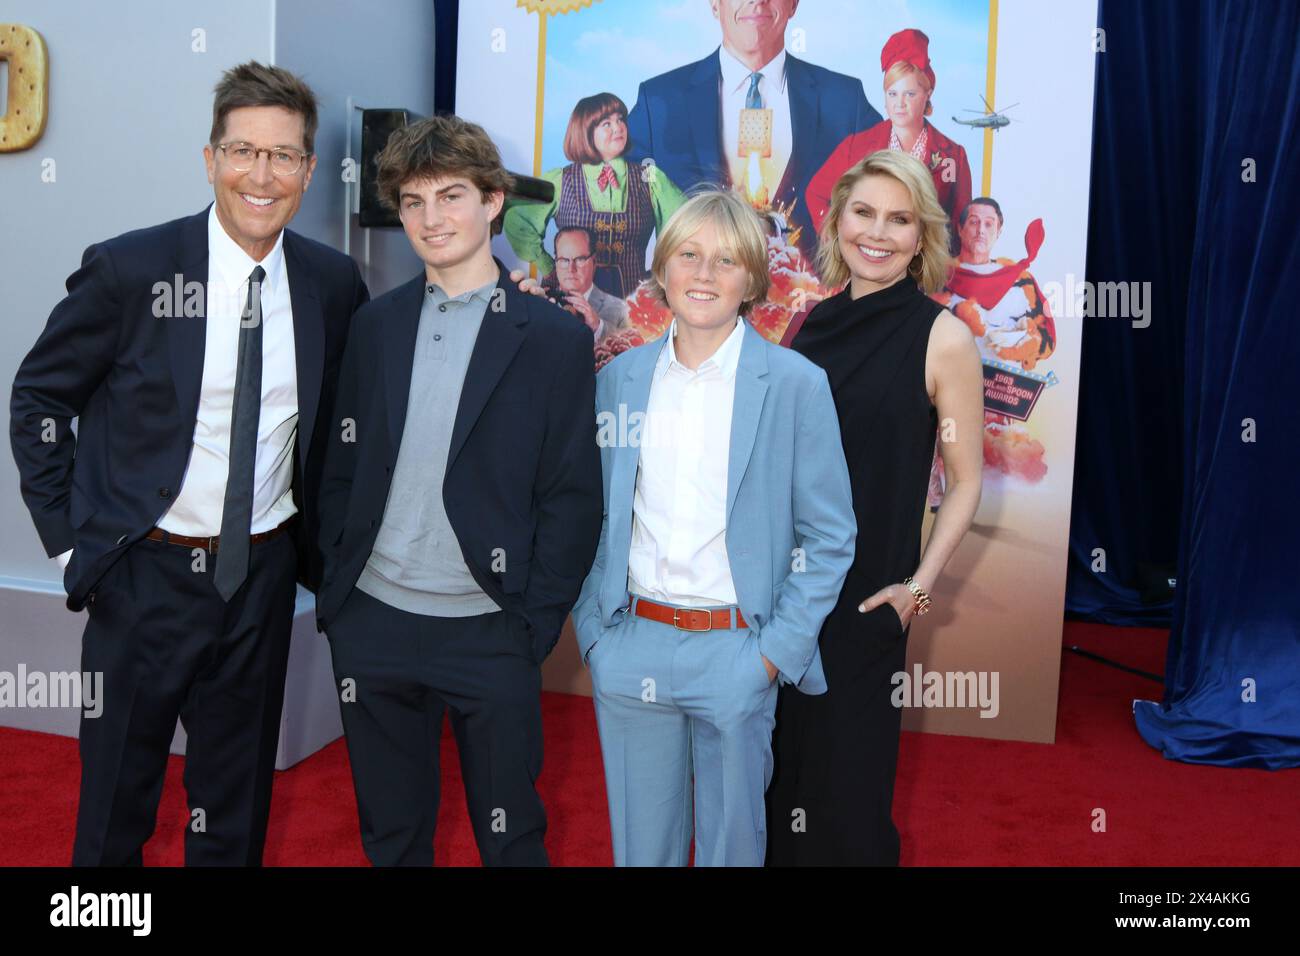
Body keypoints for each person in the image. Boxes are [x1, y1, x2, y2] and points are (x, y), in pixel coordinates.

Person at [8, 62, 369, 865]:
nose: (261, 175)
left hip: (263, 582)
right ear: (210, 160)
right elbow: (38, 401)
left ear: (309, 171)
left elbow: (342, 426)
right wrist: (73, 545)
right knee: (113, 810)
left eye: (283, 156)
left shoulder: (332, 284)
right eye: (243, 151)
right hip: (143, 578)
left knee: (235, 809)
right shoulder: (131, 271)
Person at [314, 114, 602, 867]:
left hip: (489, 628)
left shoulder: (553, 337)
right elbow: (340, 467)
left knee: (511, 840)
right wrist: (339, 597)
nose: (432, 218)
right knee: (393, 837)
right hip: (374, 622)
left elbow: (572, 496)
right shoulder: (374, 326)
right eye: (413, 202)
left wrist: (531, 627)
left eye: (450, 196)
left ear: (493, 201)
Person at [571, 189, 856, 866]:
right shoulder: (620, 381)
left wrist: (772, 655)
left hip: (737, 651)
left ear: (753, 279)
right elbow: (592, 512)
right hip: (630, 644)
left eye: (725, 261)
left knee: (734, 851)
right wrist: (596, 636)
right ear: (663, 269)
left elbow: (829, 536)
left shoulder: (795, 384)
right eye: (689, 255)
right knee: (644, 853)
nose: (704, 274)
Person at [766, 150, 983, 866]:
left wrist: (916, 589)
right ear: (836, 223)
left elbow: (966, 480)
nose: (878, 233)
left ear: (922, 237)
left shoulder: (944, 338)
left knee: (849, 799)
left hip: (866, 605)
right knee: (777, 782)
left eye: (899, 219)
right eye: (863, 213)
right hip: (782, 594)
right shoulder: (809, 324)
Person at [625, 0, 879, 261]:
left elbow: (898, 196)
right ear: (715, 4)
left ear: (794, 4)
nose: (757, 1)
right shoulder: (658, 102)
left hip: (814, 297)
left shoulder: (846, 102)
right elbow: (620, 222)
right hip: (695, 296)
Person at [504, 92, 685, 298]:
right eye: (606, 123)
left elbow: (685, 227)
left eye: (620, 119)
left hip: (632, 305)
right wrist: (549, 267)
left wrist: (659, 276)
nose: (618, 127)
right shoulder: (560, 180)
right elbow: (516, 219)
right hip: (570, 302)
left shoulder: (650, 177)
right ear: (586, 131)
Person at [805, 28, 972, 250]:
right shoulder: (856, 147)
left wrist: (941, 266)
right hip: (868, 271)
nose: (899, 103)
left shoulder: (954, 155)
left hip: (924, 277)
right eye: (892, 93)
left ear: (927, 94)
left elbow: (961, 226)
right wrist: (837, 243)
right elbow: (816, 193)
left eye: (909, 94)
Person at [936, 197, 1056, 371]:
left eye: (989, 224)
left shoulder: (1020, 280)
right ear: (960, 229)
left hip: (1006, 387)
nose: (981, 231)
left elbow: (1045, 333)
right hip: (952, 380)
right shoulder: (940, 277)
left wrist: (1030, 345)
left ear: (998, 231)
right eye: (974, 222)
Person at [550, 226, 631, 345]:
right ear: (556, 262)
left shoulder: (622, 311)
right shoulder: (540, 303)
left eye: (580, 259)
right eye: (563, 260)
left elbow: (628, 355)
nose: (571, 269)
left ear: (594, 261)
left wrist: (597, 327)